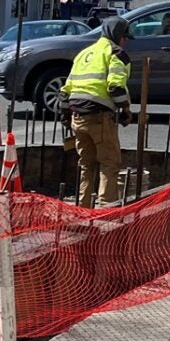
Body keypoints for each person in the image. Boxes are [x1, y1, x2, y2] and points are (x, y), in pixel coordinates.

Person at [60, 16, 132, 208]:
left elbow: (65, 91)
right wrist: (126, 110)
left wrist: (65, 116)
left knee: (86, 164)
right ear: (117, 35)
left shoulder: (84, 54)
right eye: (125, 37)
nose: (125, 41)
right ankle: (106, 211)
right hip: (99, 118)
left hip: (78, 118)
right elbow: (115, 87)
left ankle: (83, 208)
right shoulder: (116, 53)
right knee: (109, 163)